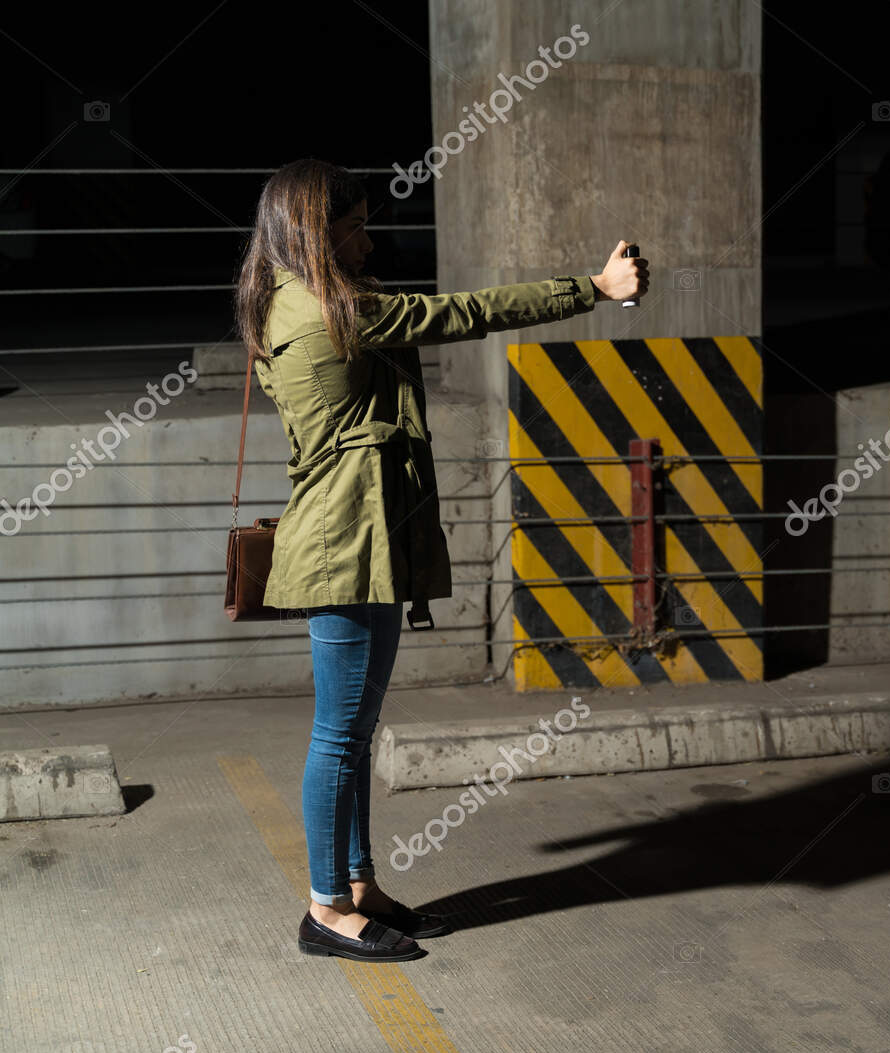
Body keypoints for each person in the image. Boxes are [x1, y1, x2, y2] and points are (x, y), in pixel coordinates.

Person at [234, 159, 647, 963]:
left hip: (359, 536)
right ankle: (325, 908)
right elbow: (468, 312)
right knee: (339, 735)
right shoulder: (332, 311)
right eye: (354, 227)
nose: (368, 241)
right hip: (346, 544)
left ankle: (356, 886)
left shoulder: (290, 297)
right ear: (316, 231)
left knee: (354, 732)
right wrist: (594, 288)